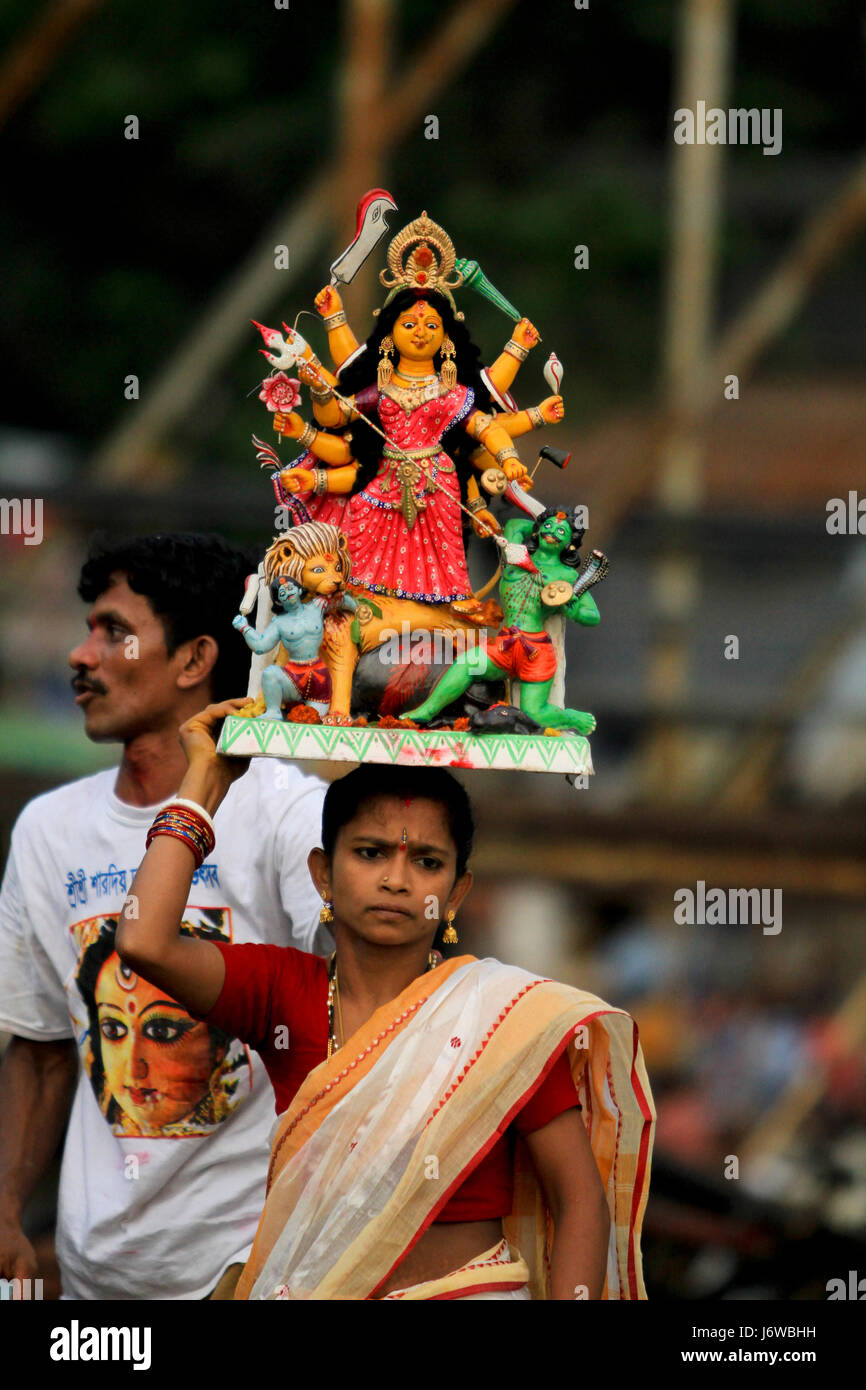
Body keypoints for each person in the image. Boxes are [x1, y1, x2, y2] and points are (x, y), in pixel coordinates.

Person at [116, 699, 655, 1300]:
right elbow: (143, 939)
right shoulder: (280, 991)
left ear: (455, 892)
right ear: (322, 873)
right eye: (370, 853)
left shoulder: (503, 1020)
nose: (397, 881)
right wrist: (204, 782)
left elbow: (579, 1198)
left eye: (427, 862)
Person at [0, 533, 329, 1300]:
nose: (82, 655)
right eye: (88, 630)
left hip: (255, 1264)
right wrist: (8, 1208)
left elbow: (368, 1002)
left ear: (194, 660)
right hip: (97, 1274)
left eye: (115, 631)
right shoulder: (49, 830)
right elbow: (45, 1048)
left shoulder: (288, 810)